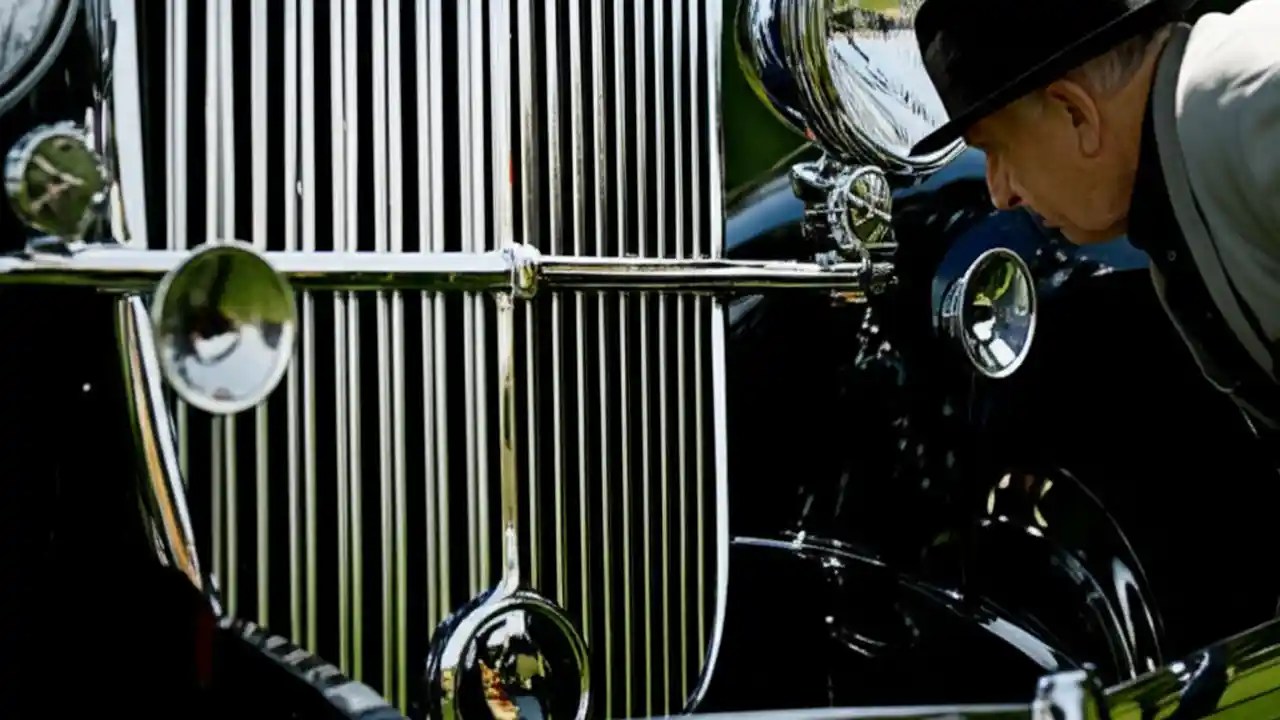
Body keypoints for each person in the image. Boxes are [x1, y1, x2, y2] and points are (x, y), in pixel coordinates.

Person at [908, 0, 1280, 443]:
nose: (1000, 193)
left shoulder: (1258, 112)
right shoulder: (1195, 141)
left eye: (995, 150)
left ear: (1075, 113)